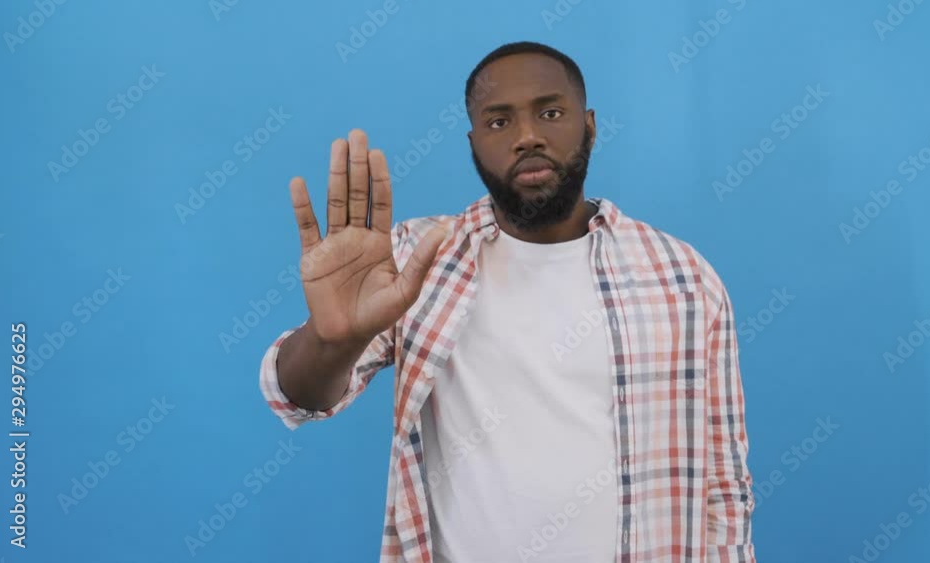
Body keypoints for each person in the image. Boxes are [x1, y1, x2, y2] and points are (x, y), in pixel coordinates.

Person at [259, 41, 755, 563]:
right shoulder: (414, 258)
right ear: (473, 142)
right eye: (499, 122)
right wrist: (331, 338)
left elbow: (724, 482)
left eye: (550, 112)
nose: (527, 137)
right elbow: (296, 397)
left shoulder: (682, 277)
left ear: (589, 124)